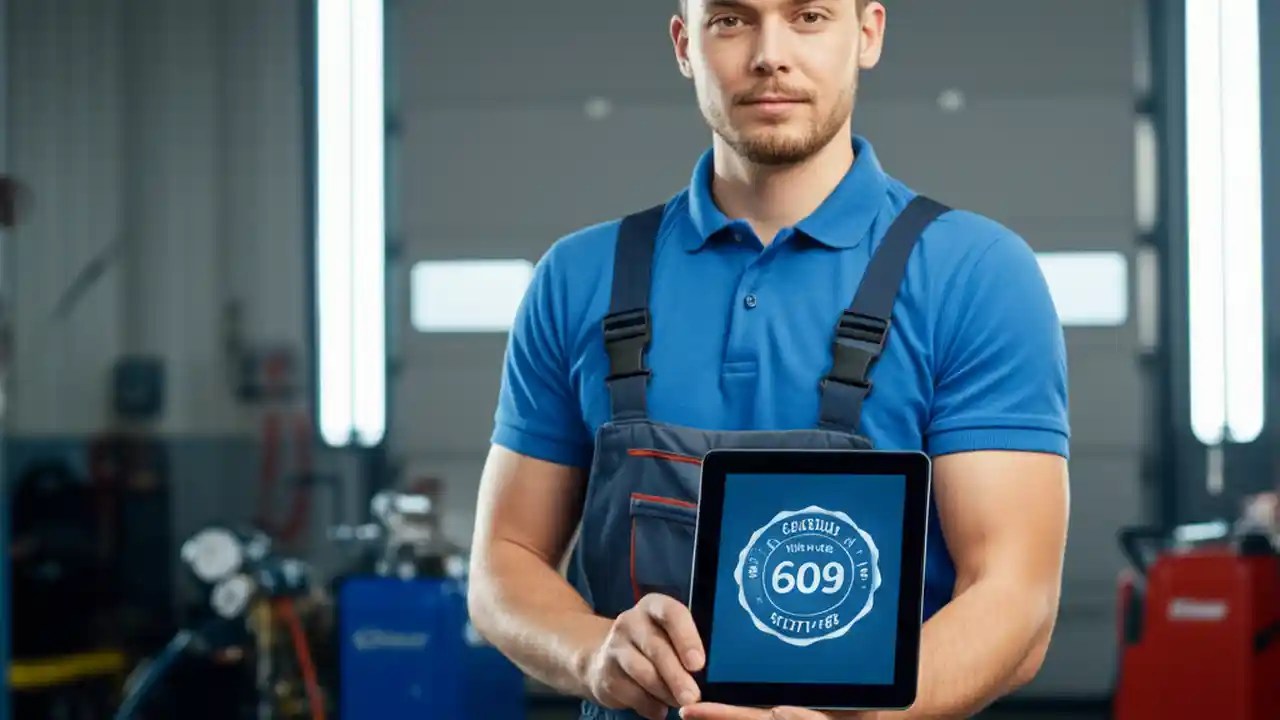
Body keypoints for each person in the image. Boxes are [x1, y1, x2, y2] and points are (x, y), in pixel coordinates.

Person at [467, 1, 1071, 719]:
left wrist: (863, 716)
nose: (769, 54)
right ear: (685, 43)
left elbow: (1014, 598)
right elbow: (505, 560)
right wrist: (590, 651)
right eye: (731, 20)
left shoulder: (975, 273)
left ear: (868, 33)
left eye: (809, 15)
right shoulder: (577, 278)